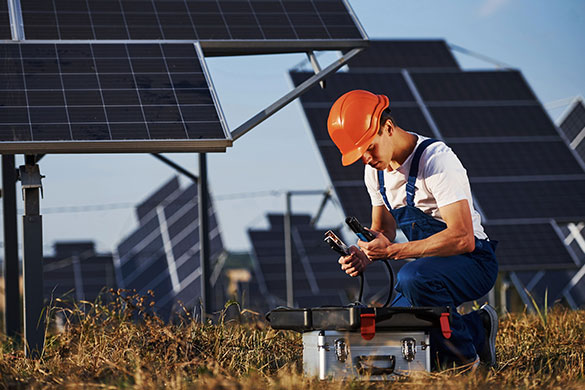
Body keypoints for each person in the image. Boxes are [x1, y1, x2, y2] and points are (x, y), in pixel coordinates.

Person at [327, 89, 499, 370]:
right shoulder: (375, 172)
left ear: (388, 128)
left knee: (412, 278)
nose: (366, 158)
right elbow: (383, 229)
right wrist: (364, 253)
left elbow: (463, 238)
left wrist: (394, 252)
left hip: (474, 261)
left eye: (369, 147)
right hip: (428, 267)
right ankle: (477, 327)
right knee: (391, 324)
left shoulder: (437, 161)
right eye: (360, 154)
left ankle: (465, 362)